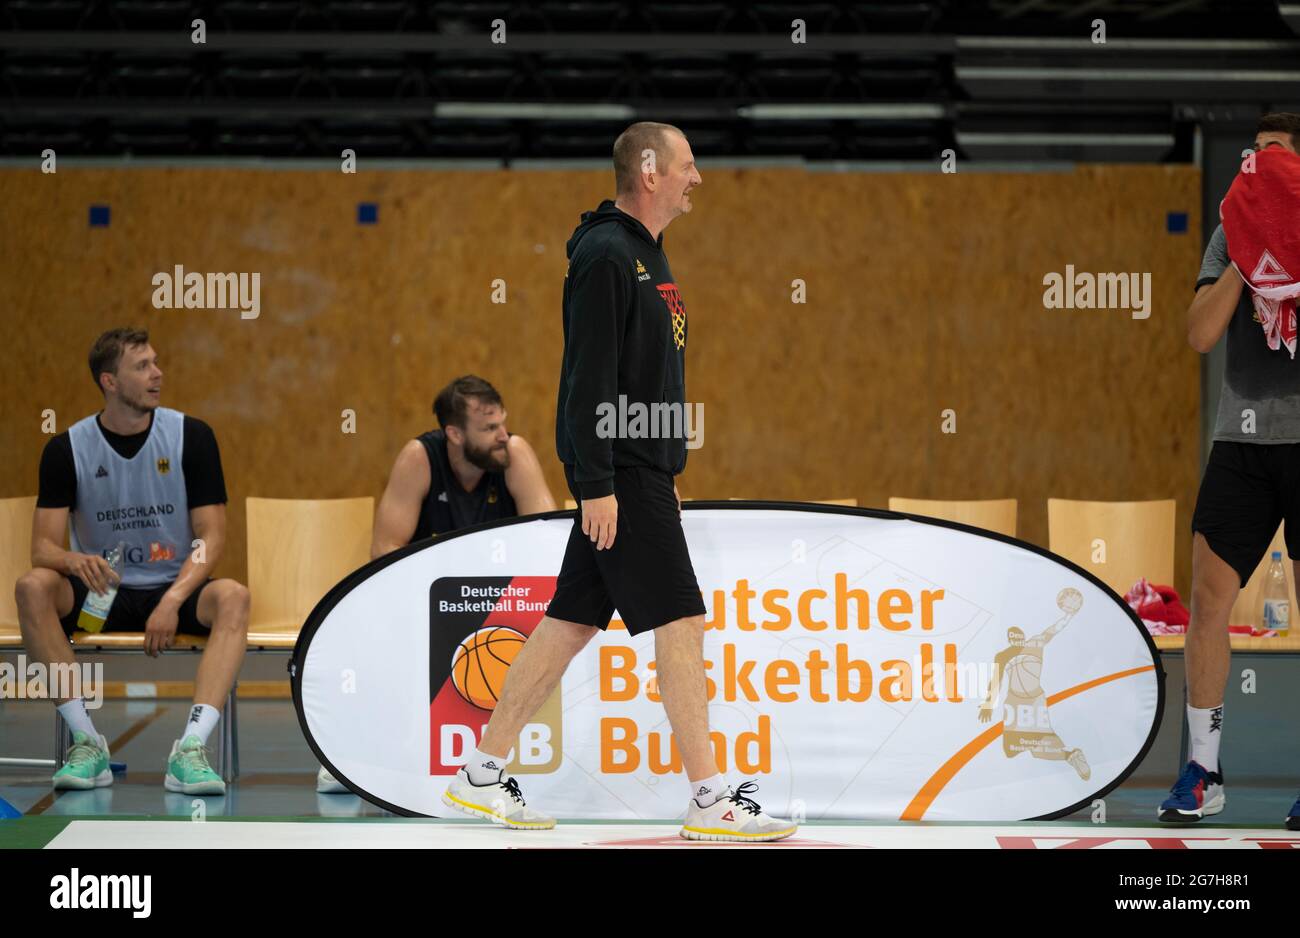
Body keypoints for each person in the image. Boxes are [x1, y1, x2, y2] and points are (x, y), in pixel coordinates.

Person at [439, 121, 797, 841]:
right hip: (619, 474)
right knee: (682, 620)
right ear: (649, 170)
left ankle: (480, 774)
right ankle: (708, 798)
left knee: (569, 624)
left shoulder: (646, 255)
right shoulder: (607, 255)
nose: (698, 178)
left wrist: (663, 471)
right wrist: (598, 482)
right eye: (688, 165)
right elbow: (587, 380)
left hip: (640, 472)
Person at [14, 327, 249, 796]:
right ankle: (87, 742)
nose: (157, 373)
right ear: (110, 382)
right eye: (142, 366)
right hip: (100, 597)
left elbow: (212, 537)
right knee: (32, 586)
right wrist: (73, 559)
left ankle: (190, 749)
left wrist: (175, 597)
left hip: (173, 586)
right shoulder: (66, 449)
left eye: (156, 363)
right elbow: (42, 549)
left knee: (234, 597)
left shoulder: (192, 436)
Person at [316, 375, 556, 793]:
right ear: (454, 434)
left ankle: (506, 755)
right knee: (374, 623)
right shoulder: (420, 459)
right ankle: (350, 754)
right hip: (431, 599)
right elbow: (385, 549)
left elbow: (545, 539)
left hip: (502, 600)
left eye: (503, 423)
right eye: (489, 429)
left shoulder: (514, 455)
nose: (503, 436)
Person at [1172, 112, 1300, 830]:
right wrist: (1252, 258)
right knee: (1208, 597)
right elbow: (1198, 332)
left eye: (1281, 155)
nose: (1266, 166)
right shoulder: (1230, 232)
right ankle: (1202, 771)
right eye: (1259, 155)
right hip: (1242, 441)